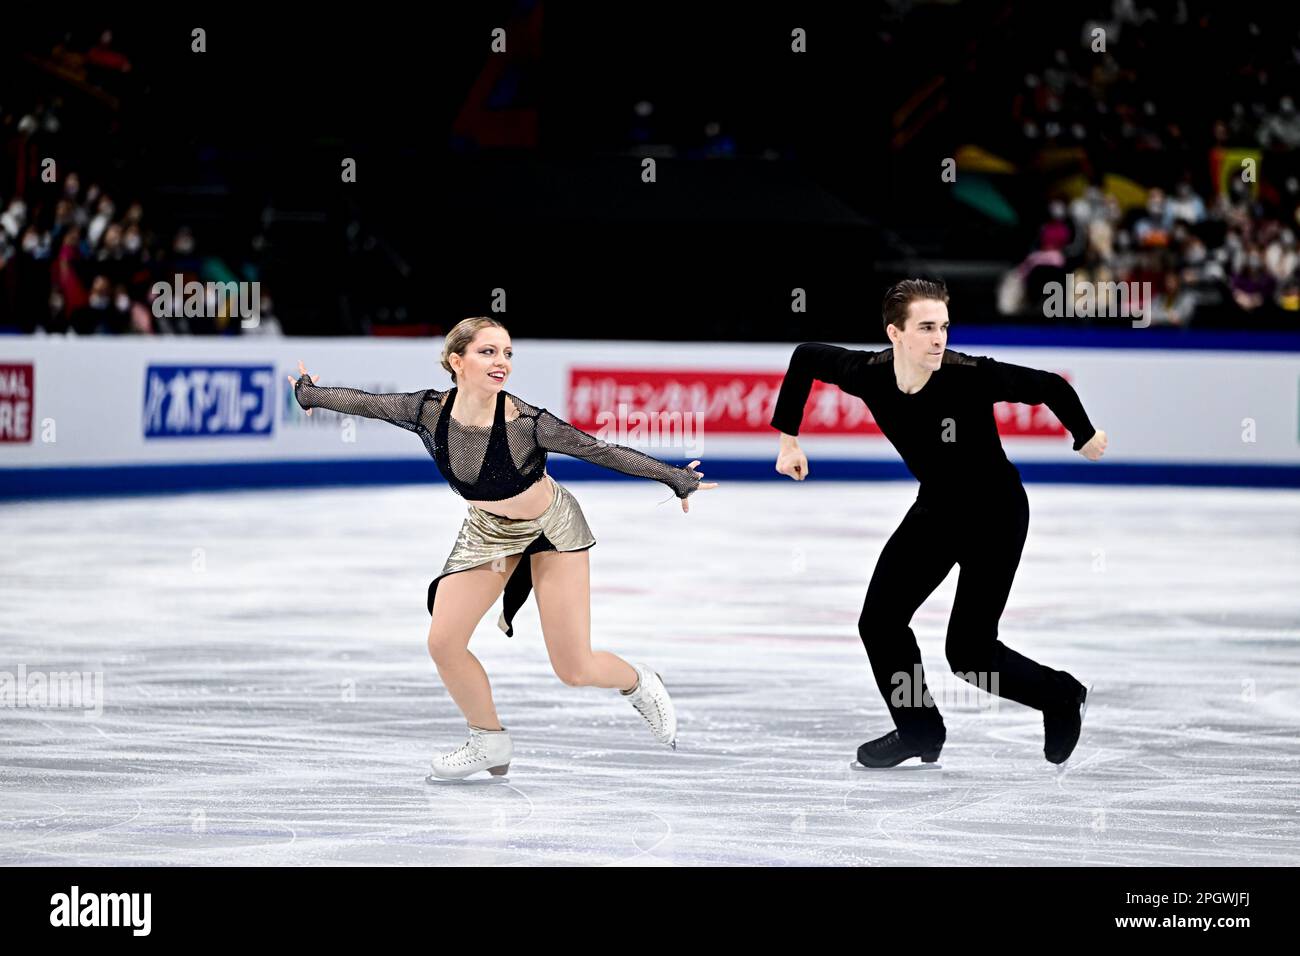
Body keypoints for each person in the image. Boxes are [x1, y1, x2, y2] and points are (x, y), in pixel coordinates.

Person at [288, 316, 716, 779]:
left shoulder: (526, 423)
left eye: (507, 353)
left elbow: (599, 450)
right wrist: (309, 394)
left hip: (551, 529)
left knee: (574, 669)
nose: (502, 362)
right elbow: (366, 404)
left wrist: (674, 477)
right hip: (488, 532)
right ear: (457, 361)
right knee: (444, 642)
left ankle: (639, 682)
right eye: (488, 352)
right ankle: (488, 740)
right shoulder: (427, 411)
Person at [769, 279, 1107, 768]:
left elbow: (1049, 386)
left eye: (943, 327)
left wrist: (1085, 435)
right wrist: (789, 439)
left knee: (969, 655)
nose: (938, 338)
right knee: (880, 623)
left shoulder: (970, 375)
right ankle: (919, 729)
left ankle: (1059, 696)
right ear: (896, 333)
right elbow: (805, 356)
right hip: (938, 510)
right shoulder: (868, 373)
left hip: (996, 513)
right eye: (926, 328)